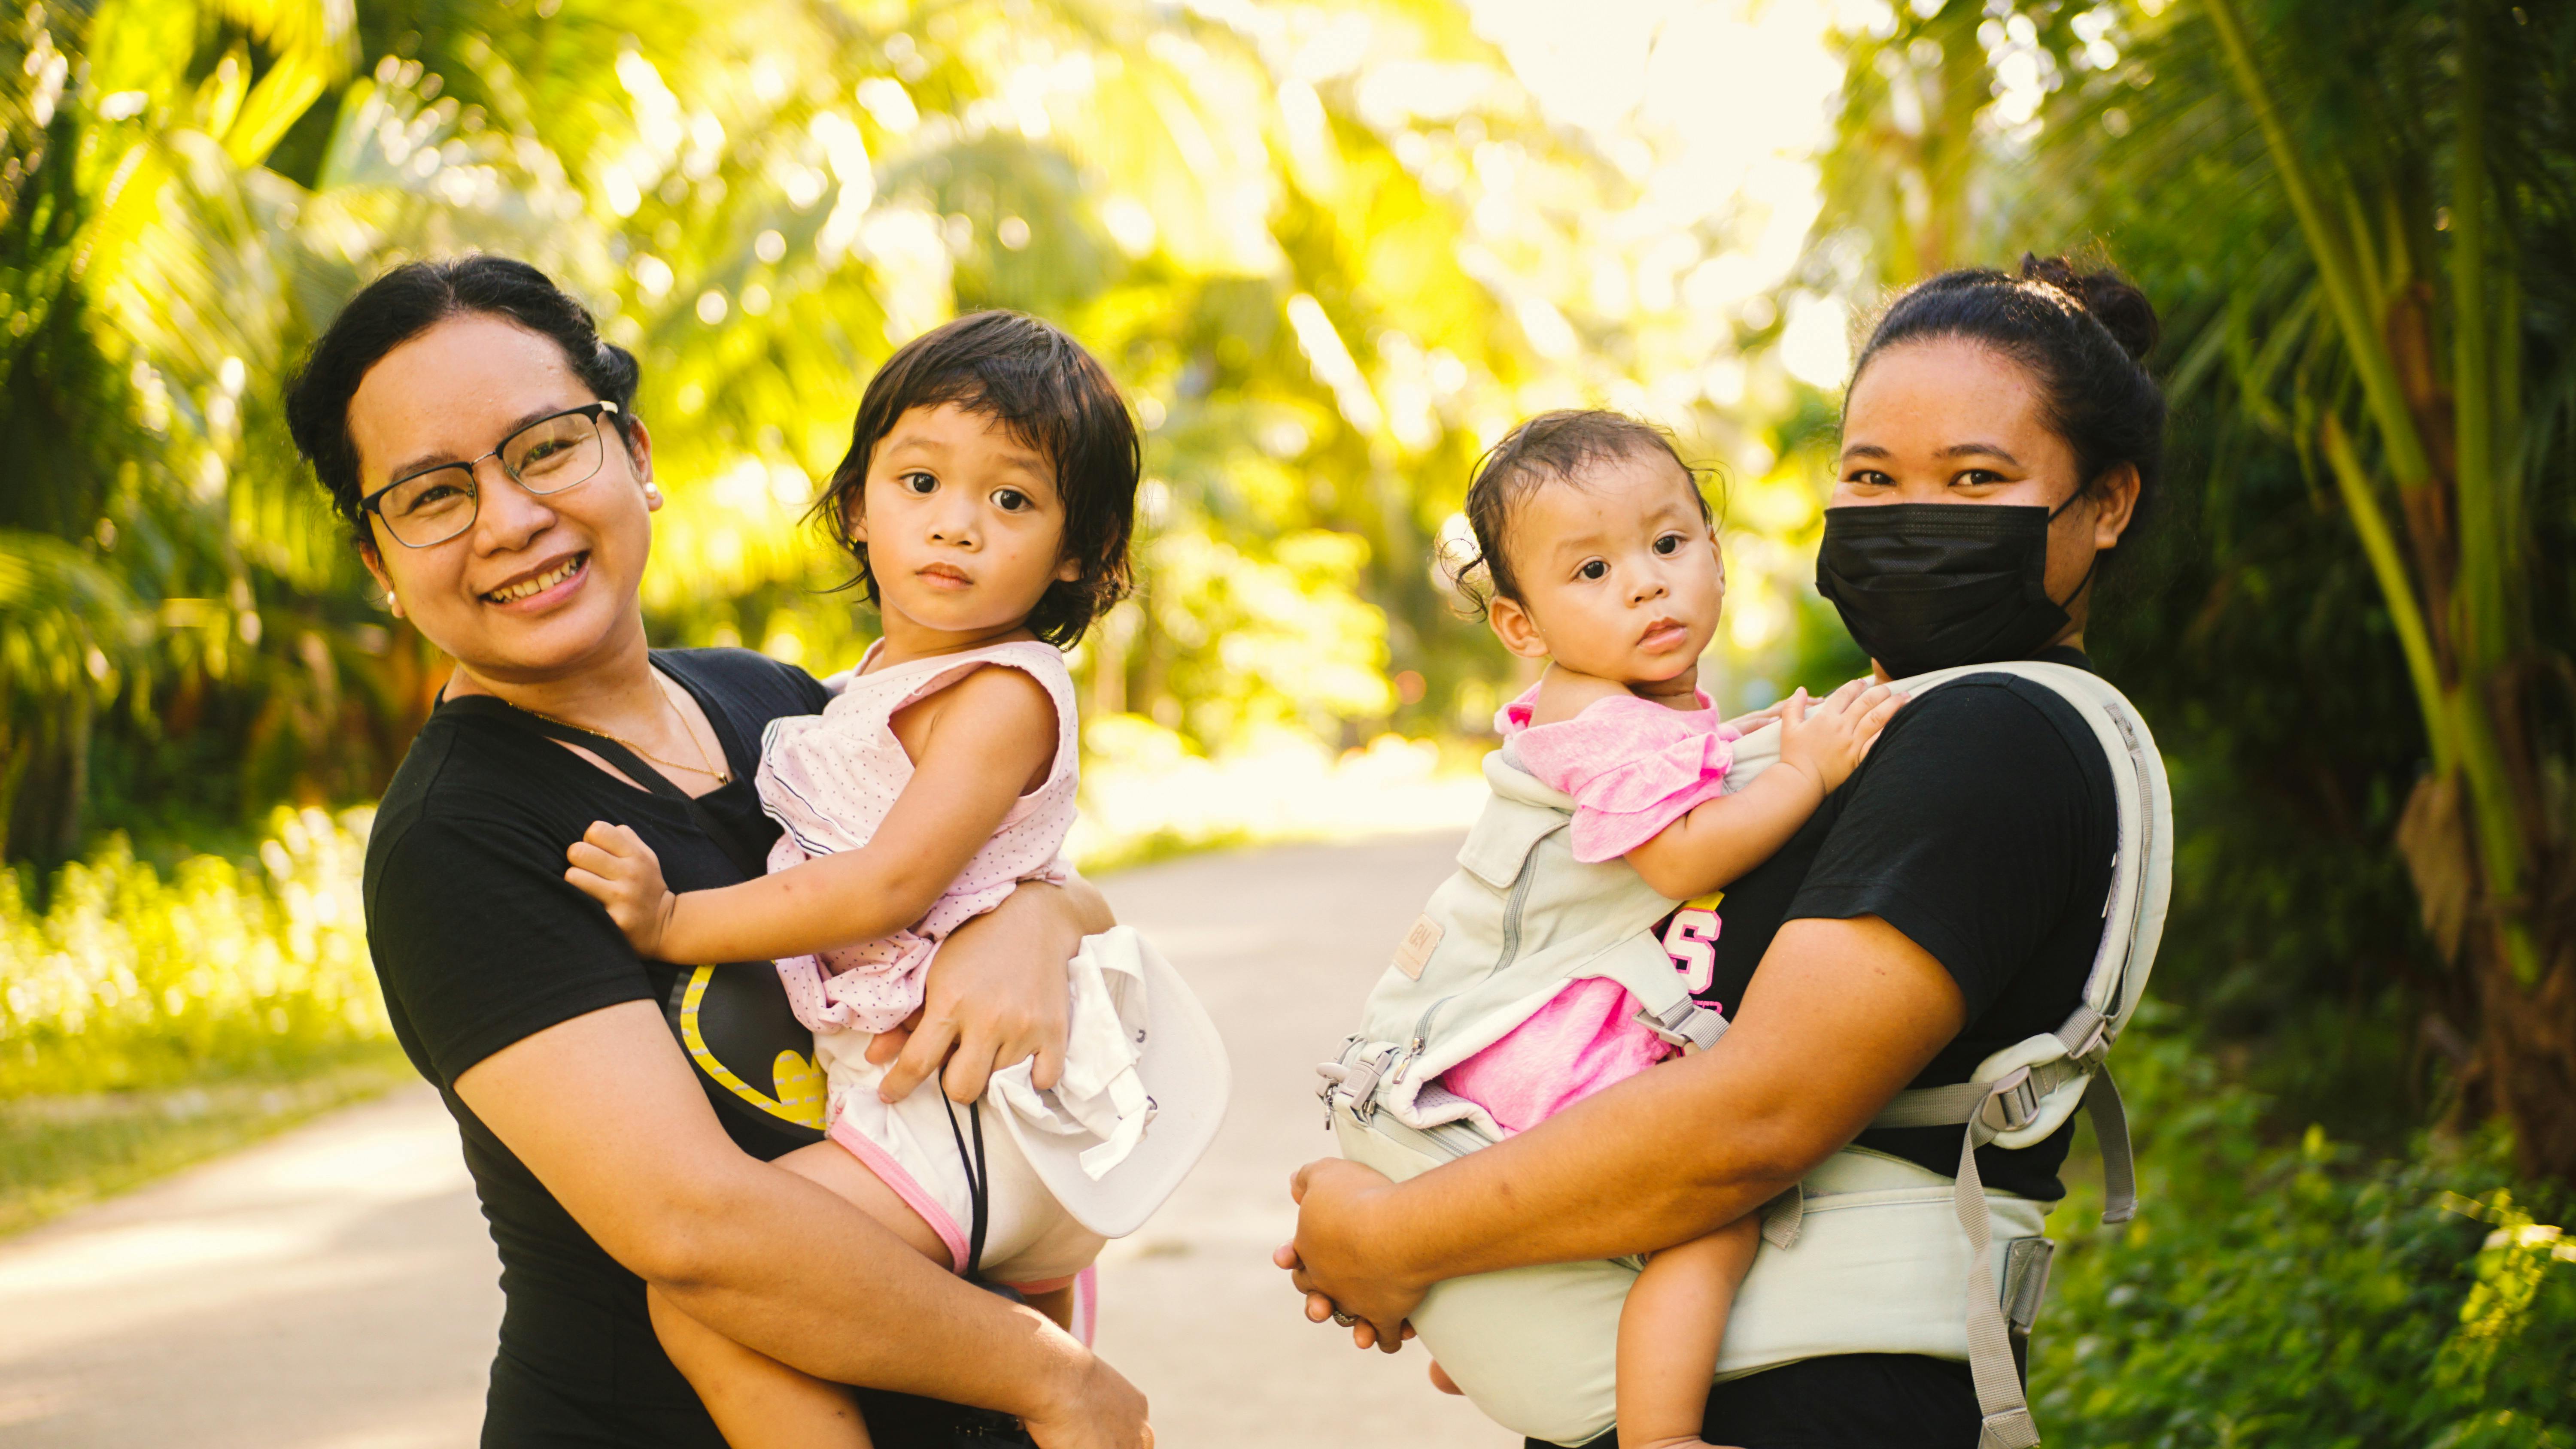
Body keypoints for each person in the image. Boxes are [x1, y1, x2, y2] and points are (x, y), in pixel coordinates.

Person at [1280, 254, 2166, 1449]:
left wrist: (1389, 1240)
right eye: (1870, 475)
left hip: (1812, 1396)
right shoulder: (1864, 733)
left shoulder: (1993, 738)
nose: (1907, 514)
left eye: (1975, 479)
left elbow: (1757, 1116)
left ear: (2106, 504)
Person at [285, 255, 1151, 1449]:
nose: (511, 519)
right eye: (434, 494)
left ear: (635, 457)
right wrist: (1057, 1382)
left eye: (544, 448)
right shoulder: (463, 839)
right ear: (380, 563)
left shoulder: (779, 712)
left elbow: (982, 870)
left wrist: (1038, 925)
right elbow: (693, 1226)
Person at [562, 311, 1166, 1446]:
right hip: (942, 1106)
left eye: (1012, 501)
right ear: (856, 506)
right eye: (922, 480)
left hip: (963, 1115)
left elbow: (891, 885)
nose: (957, 526)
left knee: (706, 1300)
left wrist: (675, 920)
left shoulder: (1003, 693)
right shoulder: (862, 689)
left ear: (1078, 552)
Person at [1343, 410, 1902, 1449]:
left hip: (1553, 1027)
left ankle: (1522, 1334)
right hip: (1546, 1045)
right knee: (1707, 1211)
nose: (1645, 582)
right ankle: (1658, 1432)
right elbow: (1685, 854)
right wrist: (1805, 771)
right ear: (1521, 624)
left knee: (1623, 1225)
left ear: (1715, 553)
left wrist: (1778, 743)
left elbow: (1697, 773)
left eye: (1668, 544)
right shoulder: (1597, 718)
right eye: (1591, 570)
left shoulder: (1625, 707)